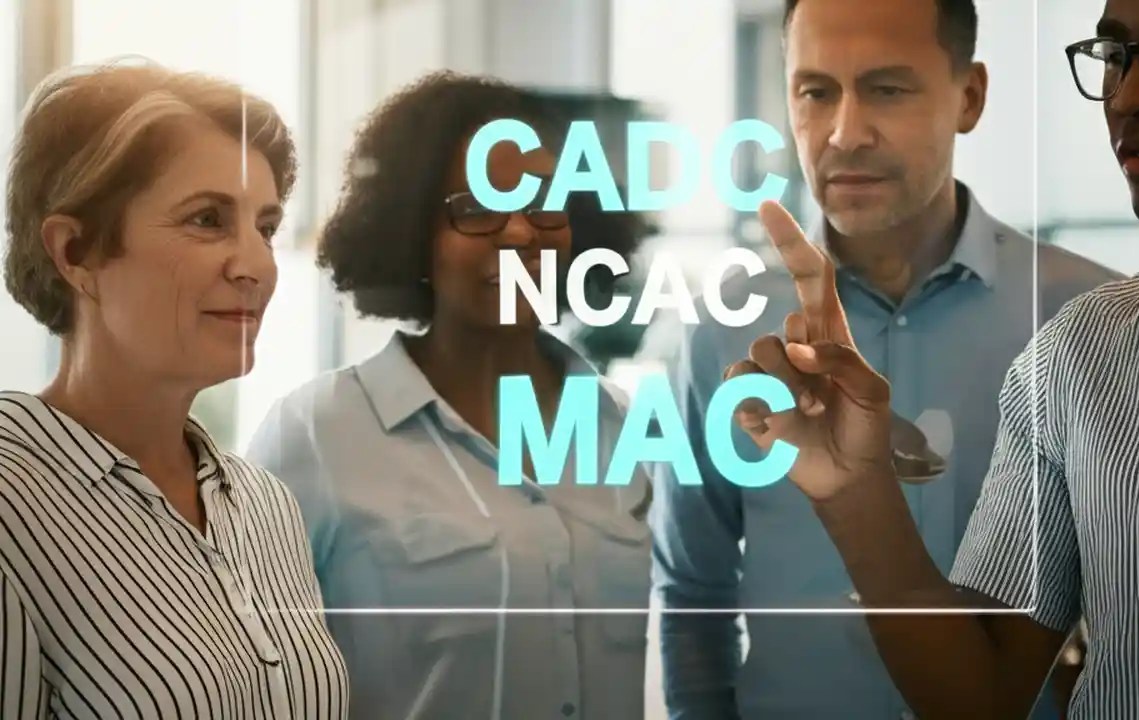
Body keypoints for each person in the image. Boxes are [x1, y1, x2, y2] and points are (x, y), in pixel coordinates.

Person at [726, 0, 1139, 716]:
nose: (1129, 97)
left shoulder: (1057, 307)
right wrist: (857, 491)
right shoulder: (1077, 356)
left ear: (970, 95)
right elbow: (982, 699)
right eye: (1115, 58)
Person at [649, 0, 1120, 718]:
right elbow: (692, 592)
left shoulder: (1084, 320)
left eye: (887, 89)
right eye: (816, 91)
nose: (844, 133)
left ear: (969, 97)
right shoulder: (723, 325)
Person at [245, 71, 652, 720]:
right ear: (412, 234)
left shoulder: (620, 427)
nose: (519, 234)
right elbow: (245, 677)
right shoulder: (317, 435)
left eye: (545, 202)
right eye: (478, 208)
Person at [0, 61, 349, 719]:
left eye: (265, 227)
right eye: (207, 219)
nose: (256, 265)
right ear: (75, 253)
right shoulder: (11, 504)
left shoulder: (268, 508)